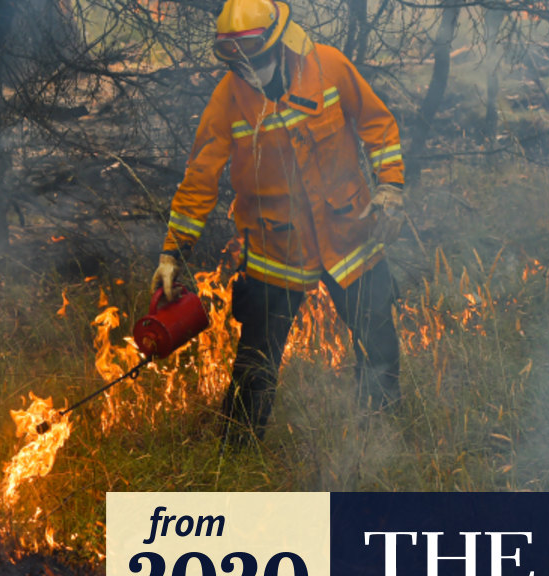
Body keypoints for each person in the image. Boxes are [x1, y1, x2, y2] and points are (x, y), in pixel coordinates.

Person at [151, 0, 407, 446]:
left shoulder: (329, 66)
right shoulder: (228, 97)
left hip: (348, 235)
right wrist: (173, 251)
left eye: (256, 63)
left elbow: (378, 125)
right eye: (238, 67)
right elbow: (200, 175)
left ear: (279, 44)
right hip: (276, 249)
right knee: (255, 364)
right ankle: (237, 452)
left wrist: (390, 187)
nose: (249, 75)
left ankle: (381, 436)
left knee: (378, 342)